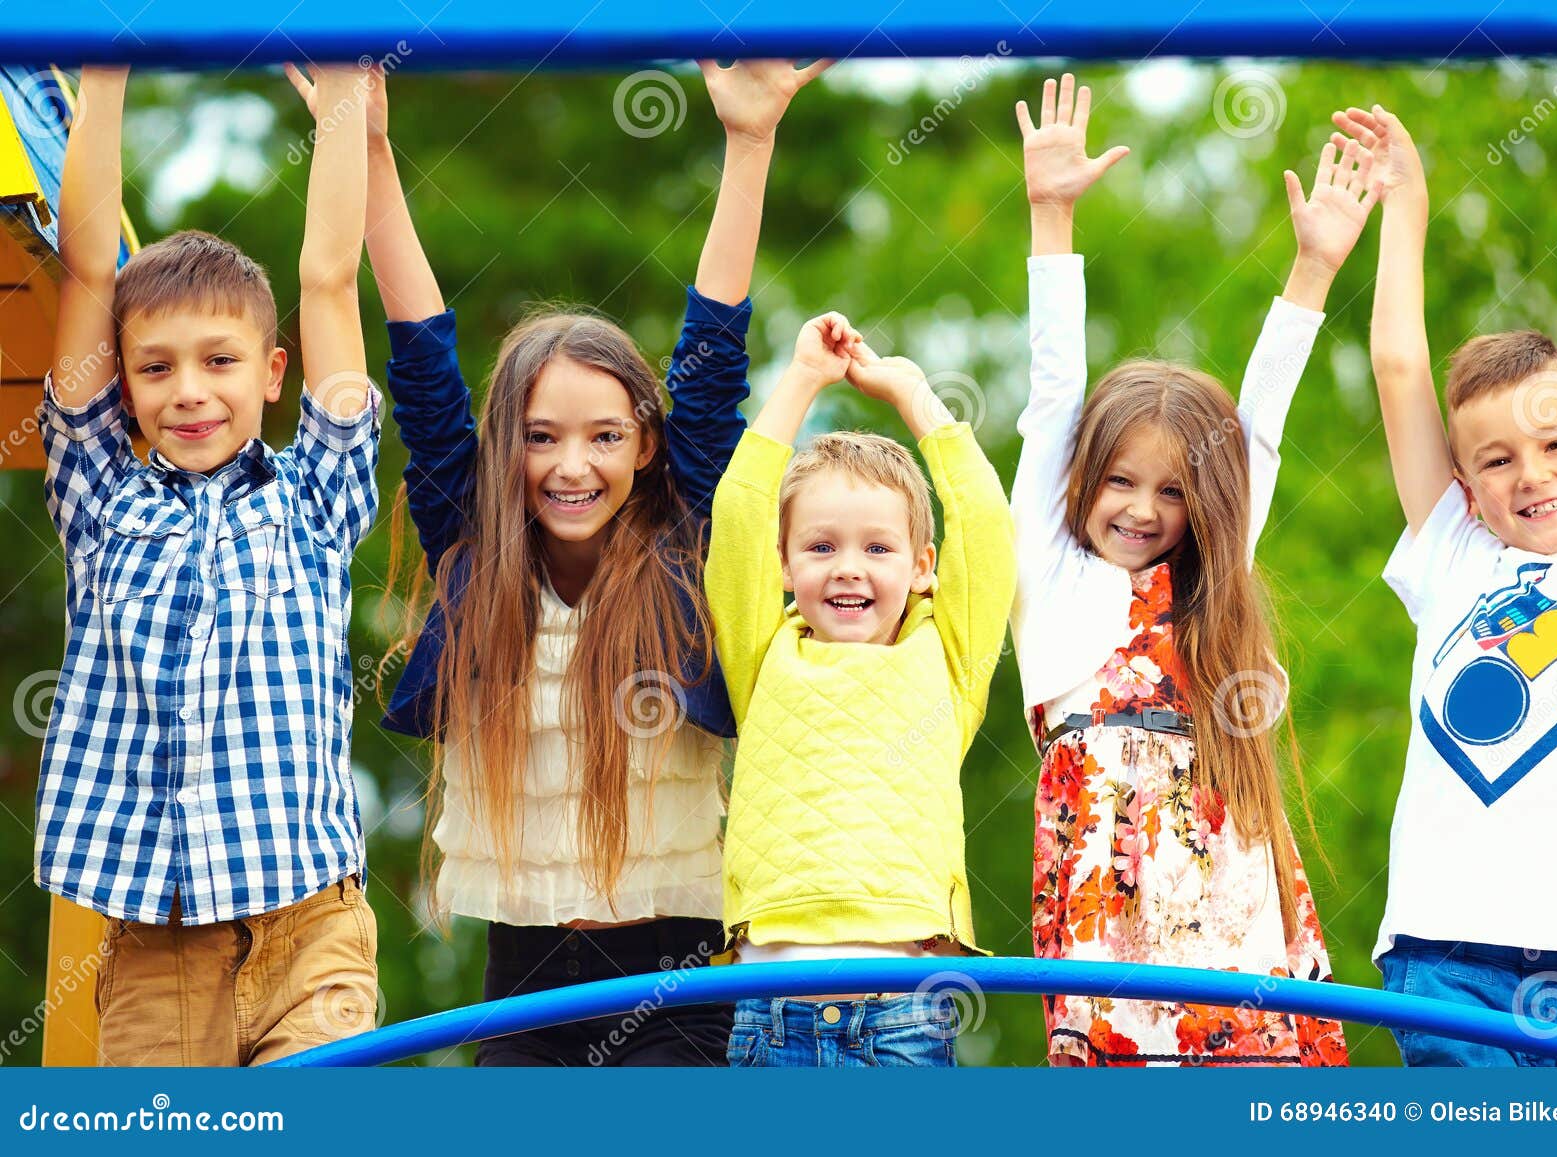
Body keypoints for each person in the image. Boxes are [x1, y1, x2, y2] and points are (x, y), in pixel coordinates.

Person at [332, 59, 828, 1066]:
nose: (570, 463)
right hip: (520, 981)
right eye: (541, 435)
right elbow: (421, 359)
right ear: (504, 446)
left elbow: (715, 347)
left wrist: (749, 142)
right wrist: (371, 147)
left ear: (645, 444)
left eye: (604, 435)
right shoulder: (475, 547)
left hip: (677, 974)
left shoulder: (683, 539)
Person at [1012, 75, 1371, 1066]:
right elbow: (1053, 396)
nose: (1141, 508)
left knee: (1256, 1077)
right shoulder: (1052, 573)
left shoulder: (1205, 584)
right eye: (1120, 480)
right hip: (1107, 878)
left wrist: (1312, 270)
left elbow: (1257, 425)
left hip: (1231, 875)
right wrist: (1052, 214)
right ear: (1083, 480)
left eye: (1171, 492)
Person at [39, 64, 381, 1065]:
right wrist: (101, 83)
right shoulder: (101, 498)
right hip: (156, 947)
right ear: (125, 382)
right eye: (155, 366)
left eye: (220, 361)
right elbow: (89, 274)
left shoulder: (314, 499)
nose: (189, 390)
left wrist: (344, 107)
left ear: (275, 375)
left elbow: (327, 278)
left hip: (307, 925)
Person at [1336, 103, 1557, 1065]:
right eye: (1496, 460)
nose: (1531, 474)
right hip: (1451, 959)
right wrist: (1407, 206)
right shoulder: (1458, 555)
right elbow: (1399, 361)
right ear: (1463, 485)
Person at [705, 311, 1015, 1067]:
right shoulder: (762, 651)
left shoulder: (946, 658)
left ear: (922, 564)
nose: (847, 567)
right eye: (820, 546)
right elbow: (740, 512)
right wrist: (803, 378)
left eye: (878, 547)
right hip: (771, 1016)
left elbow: (987, 528)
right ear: (783, 564)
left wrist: (915, 397)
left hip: (903, 1014)